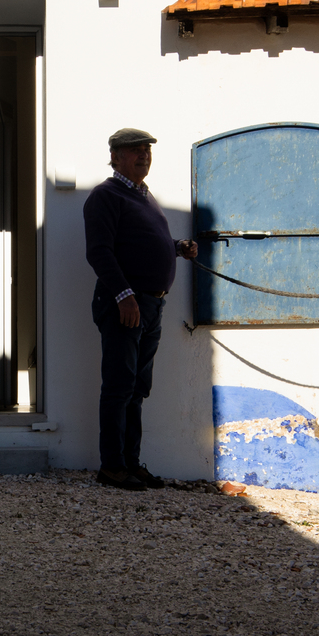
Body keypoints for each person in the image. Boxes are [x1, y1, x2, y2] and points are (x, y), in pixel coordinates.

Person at [83, 127, 197, 491]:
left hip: (151, 305)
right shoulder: (106, 195)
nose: (143, 156)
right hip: (125, 305)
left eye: (147, 150)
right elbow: (99, 251)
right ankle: (112, 467)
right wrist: (124, 296)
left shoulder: (142, 195)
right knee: (119, 387)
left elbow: (144, 242)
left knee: (137, 388)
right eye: (134, 150)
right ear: (115, 156)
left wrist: (177, 247)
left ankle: (130, 463)